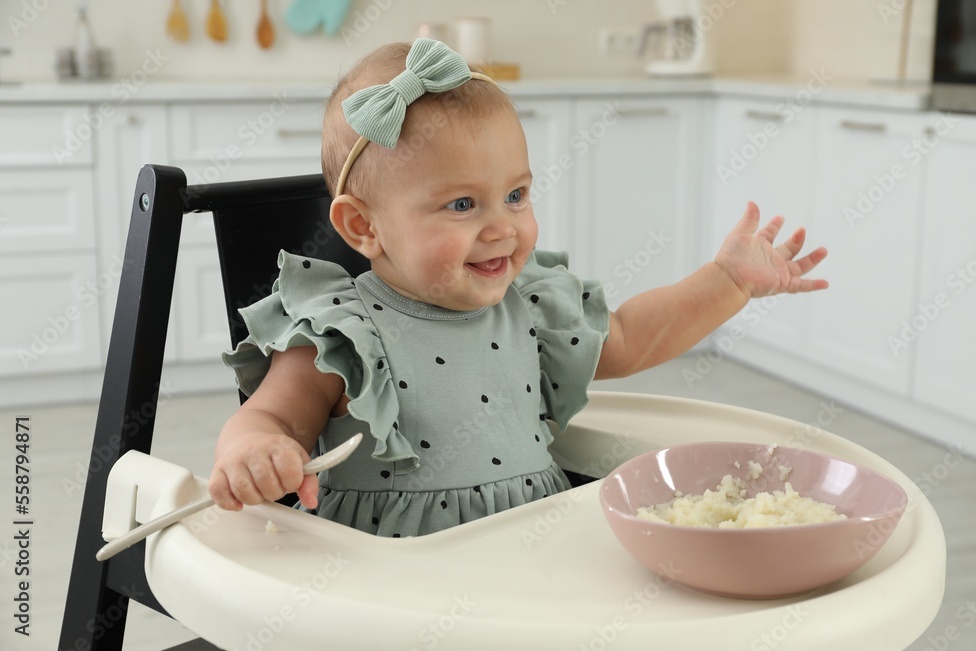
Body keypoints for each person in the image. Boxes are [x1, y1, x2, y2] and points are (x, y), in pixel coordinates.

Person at [208, 39, 828, 537]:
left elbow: (634, 336)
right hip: (395, 585)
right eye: (460, 204)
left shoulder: (530, 306)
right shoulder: (342, 332)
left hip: (534, 549)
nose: (502, 226)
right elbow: (270, 417)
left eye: (516, 195)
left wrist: (726, 282)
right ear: (363, 226)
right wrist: (257, 449)